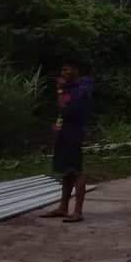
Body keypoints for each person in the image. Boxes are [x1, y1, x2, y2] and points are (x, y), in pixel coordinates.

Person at [42, 58, 94, 222]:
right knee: (66, 171)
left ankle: (77, 211)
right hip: (64, 131)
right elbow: (61, 111)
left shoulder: (83, 86)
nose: (64, 73)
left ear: (76, 70)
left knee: (77, 170)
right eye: (63, 70)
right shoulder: (68, 88)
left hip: (74, 132)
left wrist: (60, 90)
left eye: (67, 70)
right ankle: (63, 207)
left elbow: (69, 108)